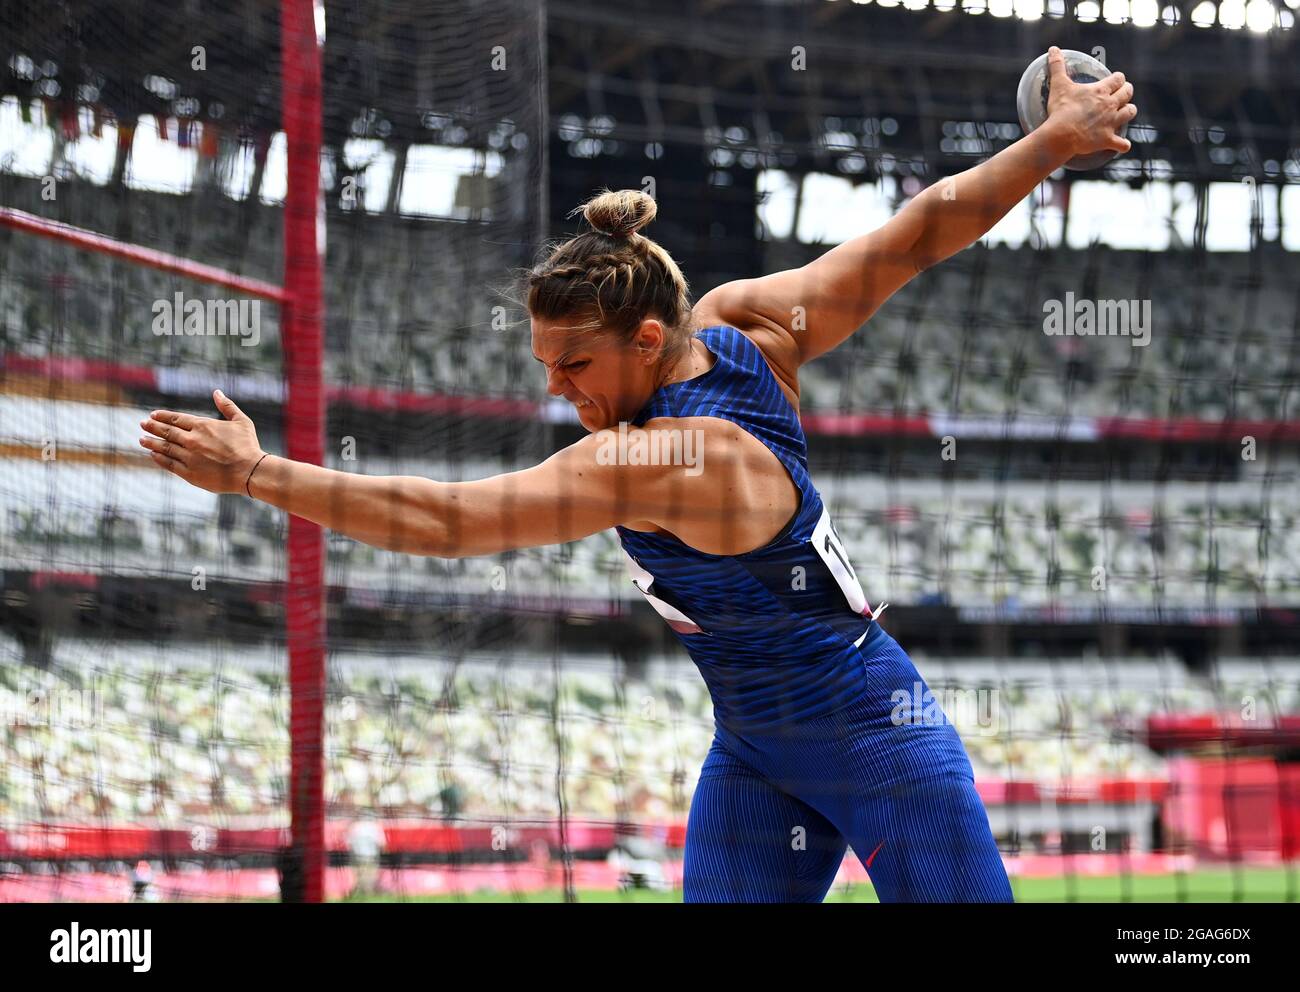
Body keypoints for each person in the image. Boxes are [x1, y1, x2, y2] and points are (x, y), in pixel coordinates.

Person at [138, 48, 1134, 901]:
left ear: (648, 337)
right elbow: (914, 236)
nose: (560, 390)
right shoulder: (748, 324)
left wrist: (260, 471)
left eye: (574, 365)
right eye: (544, 367)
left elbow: (445, 522)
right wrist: (1046, 144)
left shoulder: (660, 459)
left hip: (877, 737)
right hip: (752, 749)